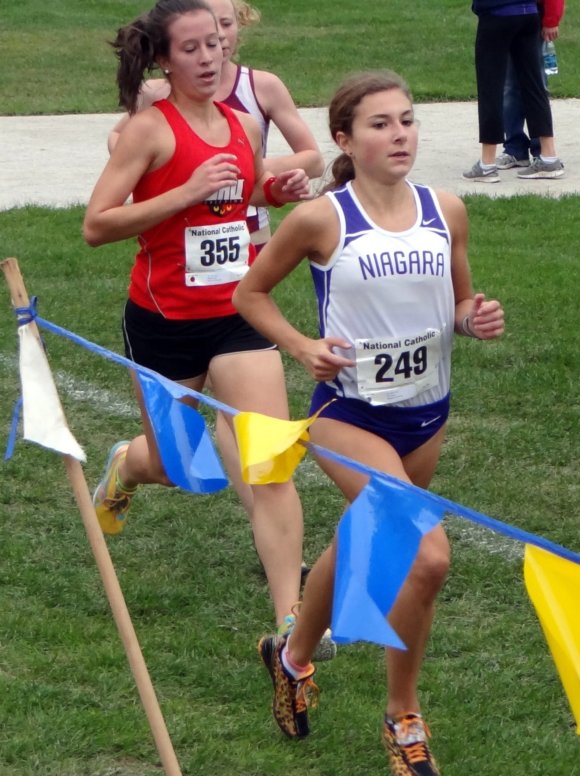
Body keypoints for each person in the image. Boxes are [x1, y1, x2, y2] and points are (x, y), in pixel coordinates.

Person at [233, 70, 505, 775]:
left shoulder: (446, 209)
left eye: (408, 120)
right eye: (381, 124)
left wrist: (474, 320)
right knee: (428, 555)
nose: (400, 135)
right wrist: (301, 346)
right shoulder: (324, 218)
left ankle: (290, 659)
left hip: (425, 413)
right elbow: (251, 293)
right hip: (346, 412)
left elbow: (458, 304)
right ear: (345, 138)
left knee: (362, 537)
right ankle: (404, 716)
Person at [82, 0, 331, 657]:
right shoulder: (148, 130)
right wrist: (184, 192)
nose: (207, 57)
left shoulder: (241, 122)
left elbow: (240, 195)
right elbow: (97, 224)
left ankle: (291, 625)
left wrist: (275, 193)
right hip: (164, 322)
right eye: (189, 49)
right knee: (173, 462)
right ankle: (127, 463)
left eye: (214, 44)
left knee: (272, 460)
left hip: (238, 314)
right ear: (164, 59)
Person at [107, 0, 324, 251]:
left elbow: (311, 161)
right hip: (175, 248)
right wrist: (157, 168)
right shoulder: (154, 102)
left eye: (223, 28)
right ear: (165, 57)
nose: (213, 48)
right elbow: (119, 142)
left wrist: (245, 176)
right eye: (191, 47)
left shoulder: (248, 117)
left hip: (248, 235)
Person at [463, 0, 564, 183]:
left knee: (490, 88)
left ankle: (487, 164)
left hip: (497, 13)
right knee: (534, 86)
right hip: (529, 13)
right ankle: (549, 157)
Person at [495, 0, 564, 171]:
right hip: (511, 11)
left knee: (535, 85)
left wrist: (551, 20)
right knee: (510, 86)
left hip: (534, 13)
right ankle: (515, 147)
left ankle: (541, 148)